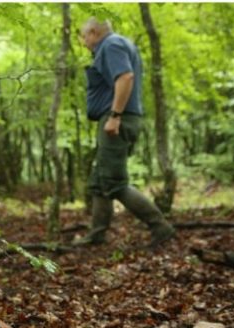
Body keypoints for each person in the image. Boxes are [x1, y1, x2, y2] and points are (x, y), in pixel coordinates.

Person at [73, 17, 175, 249]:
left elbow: (125, 77)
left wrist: (115, 116)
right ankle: (97, 234)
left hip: (116, 119)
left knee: (114, 182)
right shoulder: (118, 44)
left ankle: (160, 226)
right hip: (114, 118)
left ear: (93, 31)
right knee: (100, 181)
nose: (83, 41)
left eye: (84, 36)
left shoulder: (111, 44)